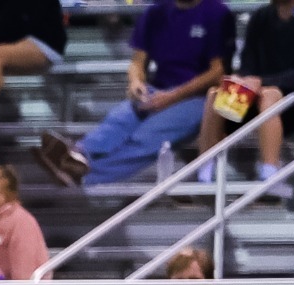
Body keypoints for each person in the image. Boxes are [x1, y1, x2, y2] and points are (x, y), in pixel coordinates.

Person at [35, 0, 232, 190]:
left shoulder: (216, 12)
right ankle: (77, 154)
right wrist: (136, 81)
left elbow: (217, 73)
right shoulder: (156, 12)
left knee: (147, 138)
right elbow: (137, 62)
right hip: (157, 90)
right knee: (120, 118)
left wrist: (171, 97)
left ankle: (85, 175)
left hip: (201, 98)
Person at [192, 0, 294, 189]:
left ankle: (269, 173)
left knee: (270, 97)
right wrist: (242, 80)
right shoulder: (260, 17)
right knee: (216, 94)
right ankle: (206, 171)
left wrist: (262, 82)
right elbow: (248, 66)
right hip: (263, 90)